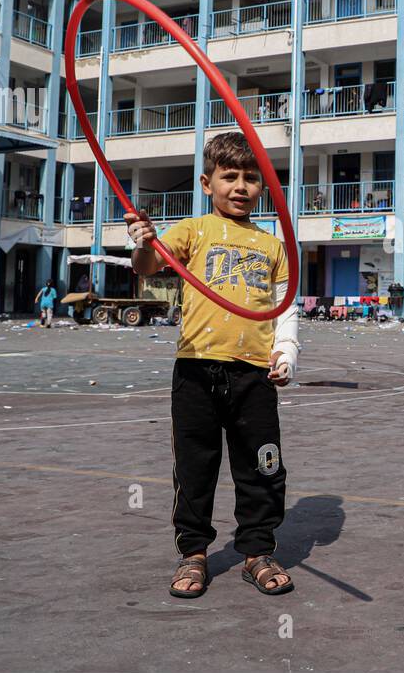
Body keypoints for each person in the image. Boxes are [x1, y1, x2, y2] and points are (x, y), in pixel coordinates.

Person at [125, 132, 300, 598]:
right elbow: (147, 267)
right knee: (196, 466)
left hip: (253, 374)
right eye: (229, 177)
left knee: (262, 466)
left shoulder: (273, 244)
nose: (240, 186)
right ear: (207, 182)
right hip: (197, 369)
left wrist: (287, 352)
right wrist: (143, 240)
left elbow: (284, 306)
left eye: (251, 178)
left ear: (264, 187)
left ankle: (258, 551)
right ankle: (194, 553)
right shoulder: (193, 229)